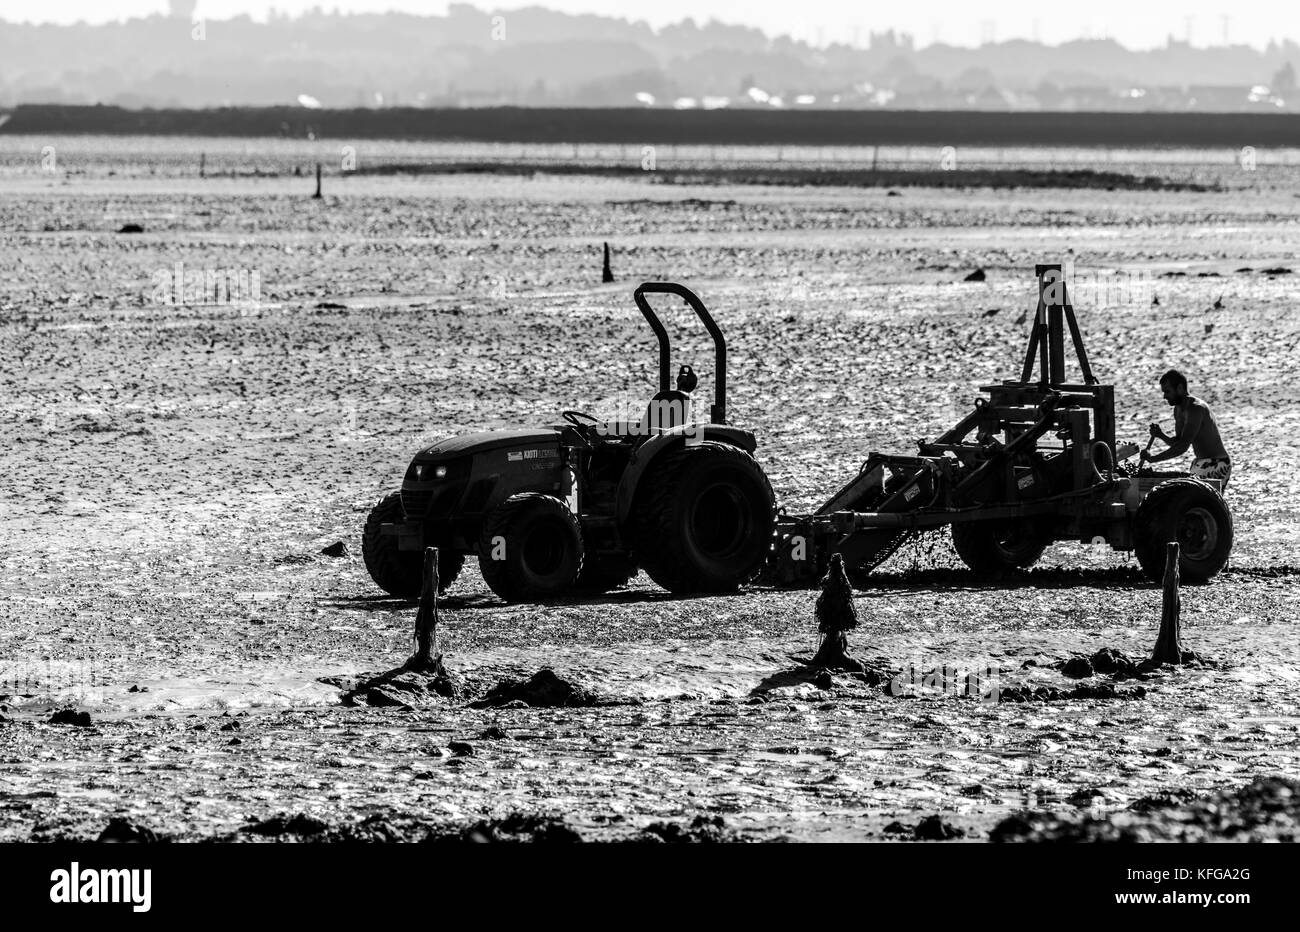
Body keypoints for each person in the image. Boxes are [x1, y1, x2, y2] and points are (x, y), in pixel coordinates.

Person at [1141, 369, 1231, 487]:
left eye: (1167, 391)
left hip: (1216, 463)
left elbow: (1182, 447)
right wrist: (1160, 435)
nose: (1164, 396)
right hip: (1199, 463)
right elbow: (1178, 442)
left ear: (1180, 388)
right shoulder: (1177, 410)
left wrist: (1153, 459)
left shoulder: (1195, 409)